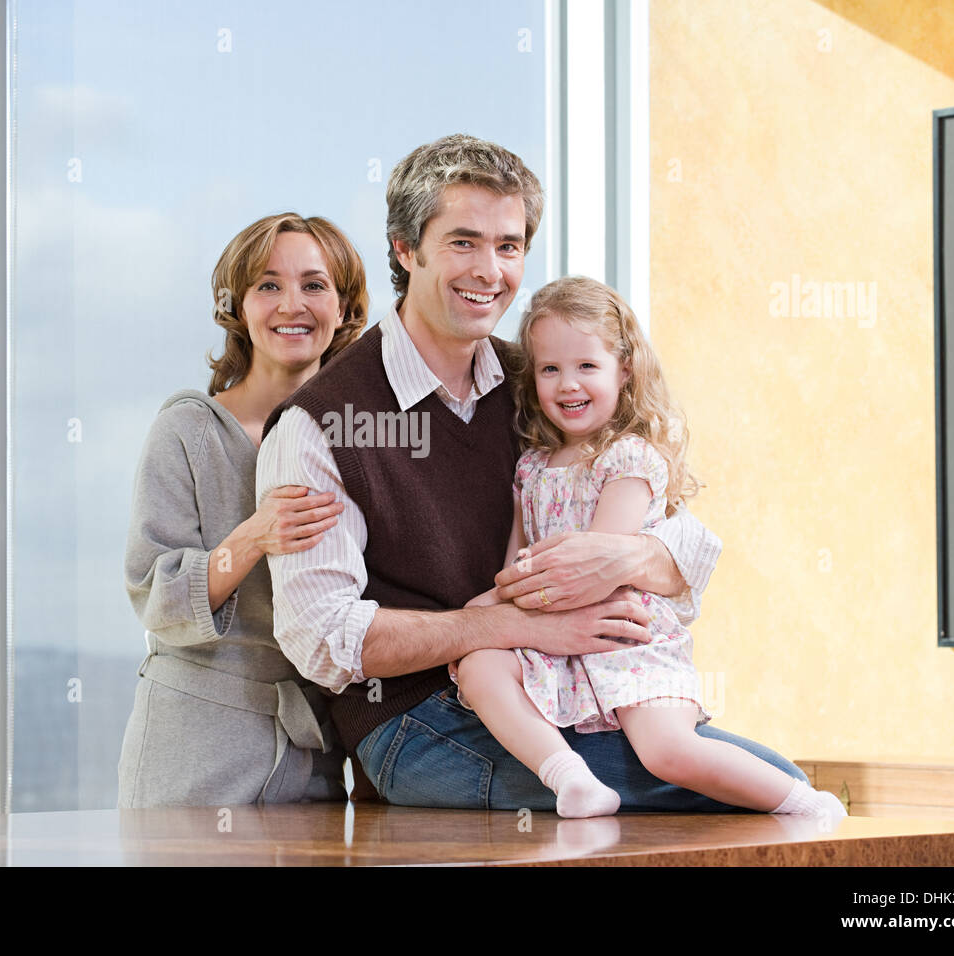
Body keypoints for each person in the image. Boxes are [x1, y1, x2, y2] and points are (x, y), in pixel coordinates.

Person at [257, 133, 814, 811]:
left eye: (509, 245)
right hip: (414, 726)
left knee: (761, 784)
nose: (489, 270)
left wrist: (625, 556)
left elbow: (686, 541)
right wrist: (509, 626)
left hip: (560, 685)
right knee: (757, 791)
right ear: (406, 249)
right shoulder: (318, 425)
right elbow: (321, 639)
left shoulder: (541, 380)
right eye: (464, 241)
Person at [452, 276, 846, 821]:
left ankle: (808, 805)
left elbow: (601, 565)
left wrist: (507, 605)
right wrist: (488, 609)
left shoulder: (627, 459)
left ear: (624, 370)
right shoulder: (531, 468)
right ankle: (571, 780)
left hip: (620, 635)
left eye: (587, 366)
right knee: (479, 665)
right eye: (551, 369)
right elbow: (516, 567)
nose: (569, 384)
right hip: (553, 635)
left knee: (665, 751)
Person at [118, 212, 368, 806]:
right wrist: (255, 535)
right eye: (267, 285)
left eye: (315, 285)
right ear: (238, 306)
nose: (292, 304)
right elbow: (156, 601)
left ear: (344, 309)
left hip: (314, 749)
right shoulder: (187, 431)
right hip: (194, 747)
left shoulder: (359, 437)